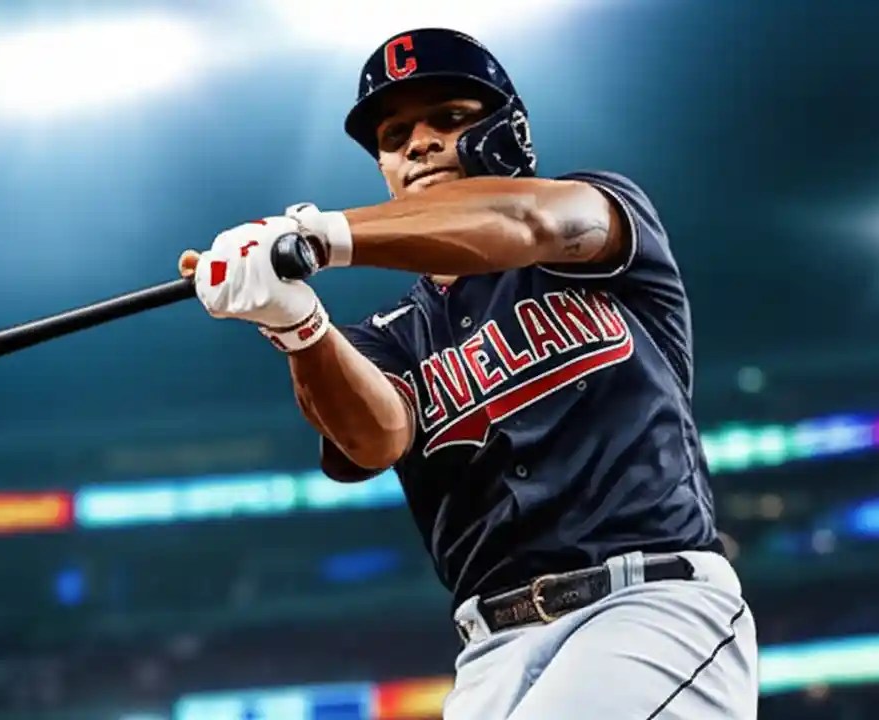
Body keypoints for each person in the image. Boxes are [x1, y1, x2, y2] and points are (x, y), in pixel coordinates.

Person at [180, 27, 759, 719]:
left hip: (649, 607)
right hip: (489, 651)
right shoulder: (392, 336)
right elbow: (376, 440)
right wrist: (296, 326)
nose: (418, 143)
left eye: (450, 119)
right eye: (394, 138)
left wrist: (323, 236)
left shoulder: (596, 216)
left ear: (510, 132)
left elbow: (527, 218)